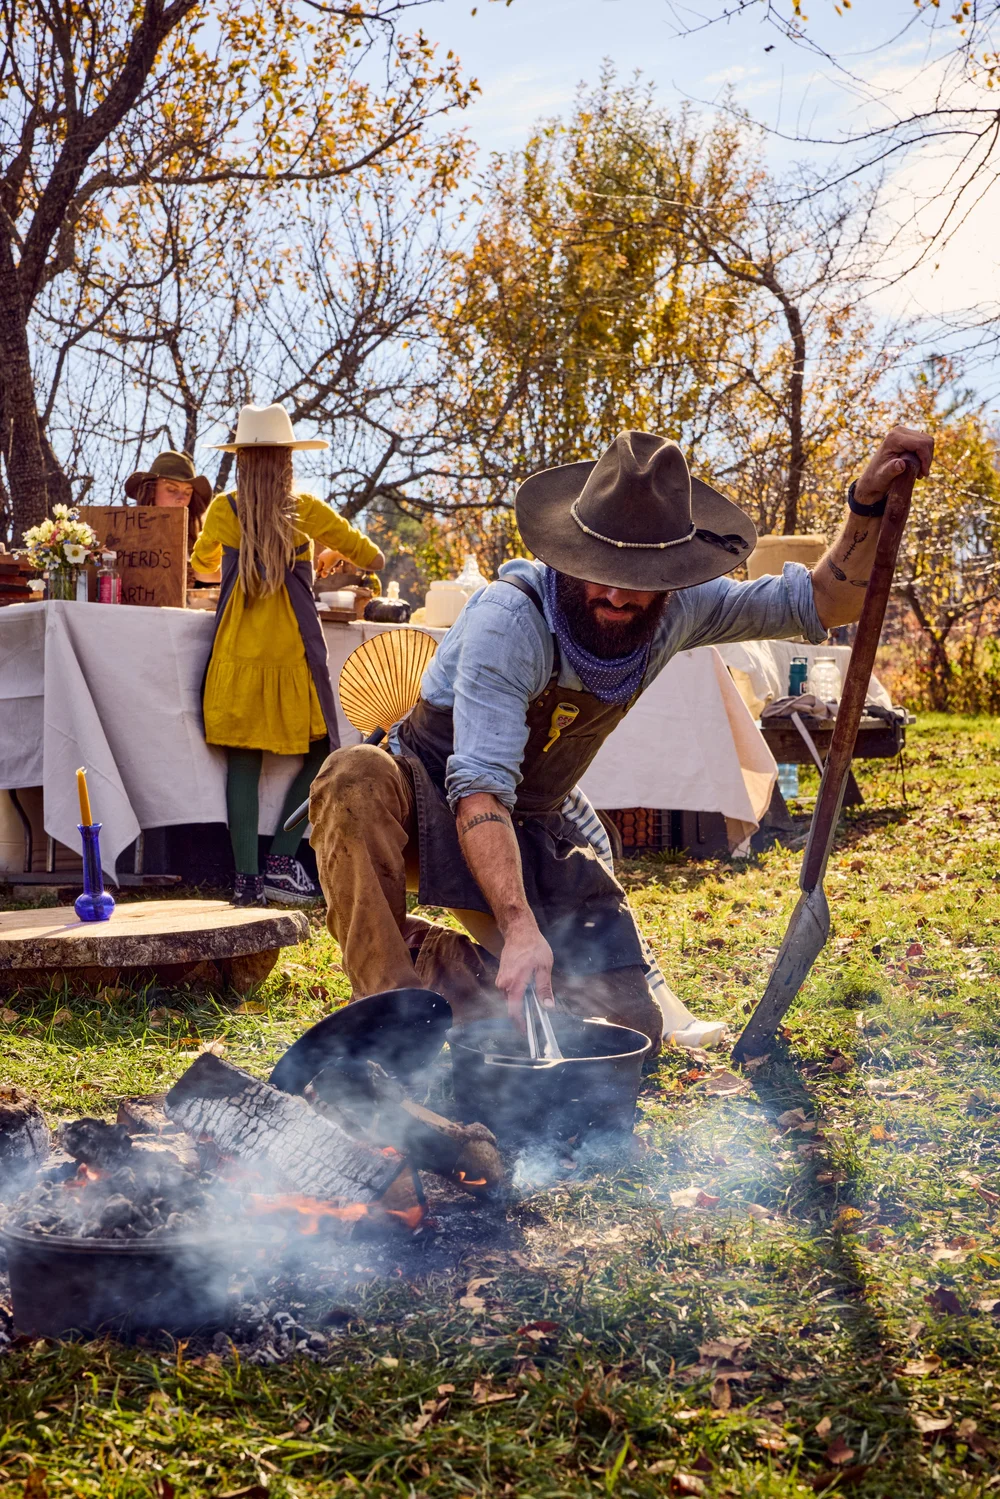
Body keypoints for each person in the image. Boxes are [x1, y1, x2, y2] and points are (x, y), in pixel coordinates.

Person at [308, 425, 933, 1049]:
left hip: (533, 824)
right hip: (429, 809)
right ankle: (388, 1014)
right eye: (597, 568)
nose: (612, 591)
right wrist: (519, 926)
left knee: (624, 1030)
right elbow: (479, 792)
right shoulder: (510, 619)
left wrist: (866, 504)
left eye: (635, 575)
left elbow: (825, 602)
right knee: (354, 775)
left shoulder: (685, 608)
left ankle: (433, 961)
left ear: (671, 572)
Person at [191, 403, 385, 906]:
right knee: (321, 755)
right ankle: (281, 860)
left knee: (243, 762)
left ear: (241, 460)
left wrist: (237, 558)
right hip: (292, 660)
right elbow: (373, 557)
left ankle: (247, 882)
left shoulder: (223, 511)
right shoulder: (307, 511)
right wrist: (328, 553)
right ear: (287, 460)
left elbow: (200, 565)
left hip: (235, 655)